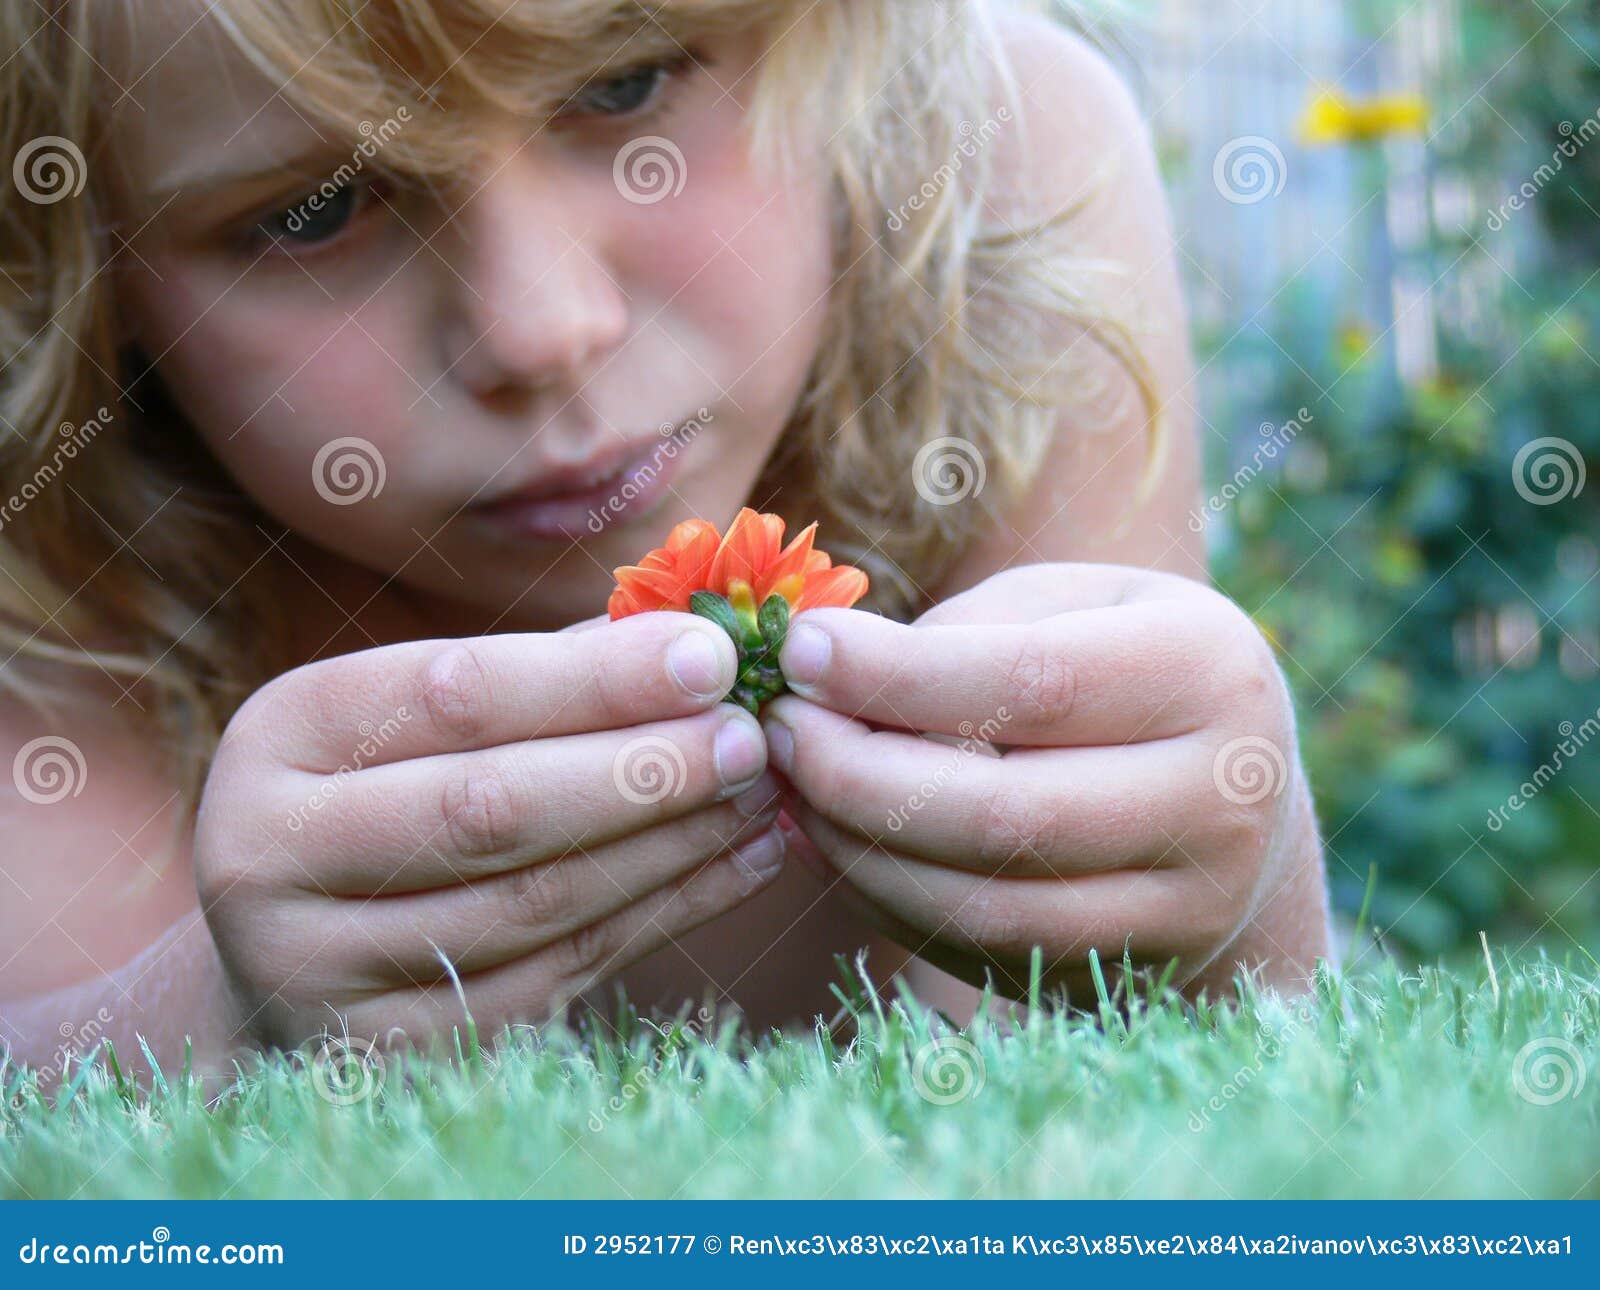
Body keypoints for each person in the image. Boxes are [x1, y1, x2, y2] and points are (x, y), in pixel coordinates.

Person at [0, 0, 1331, 1086]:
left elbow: (1103, 1084)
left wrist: (1240, 884)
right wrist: (216, 1018)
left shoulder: (996, 166)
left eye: (626, 85)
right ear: (83, 266)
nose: (540, 327)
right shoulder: (53, 486)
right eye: (310, 212)